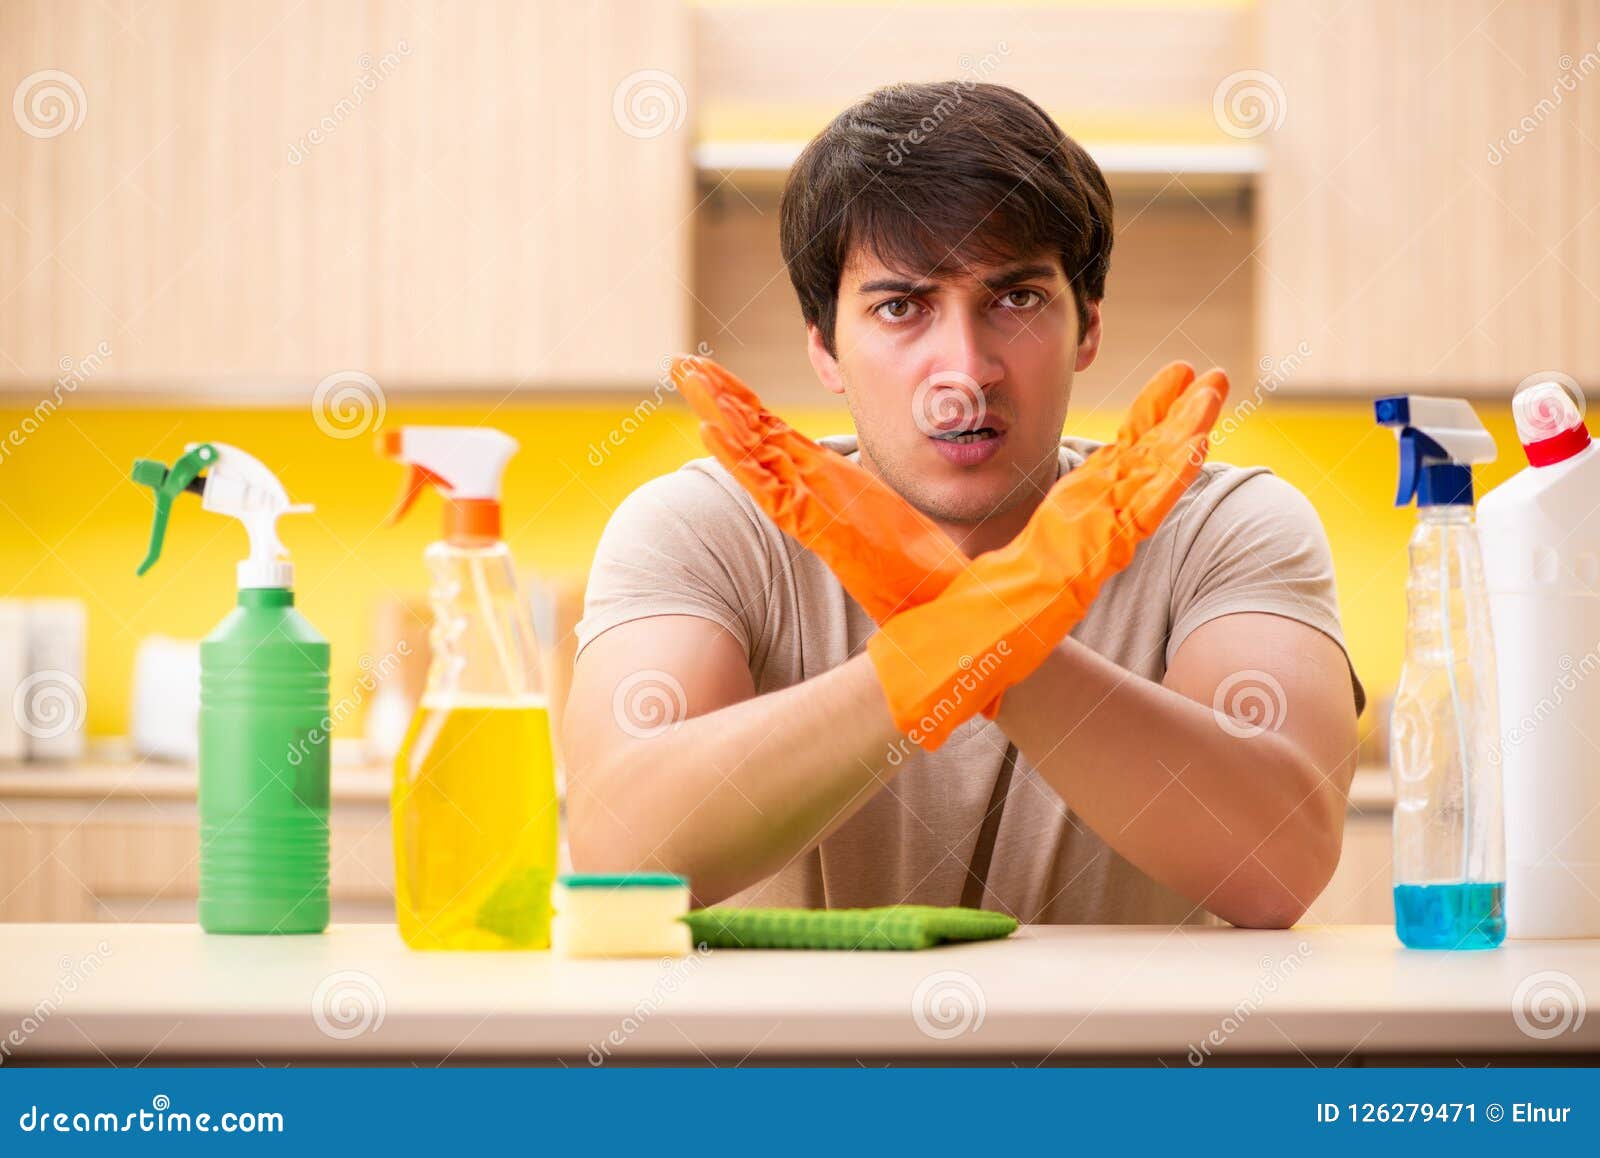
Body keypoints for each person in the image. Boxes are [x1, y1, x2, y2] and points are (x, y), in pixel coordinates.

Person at [564, 82, 1364, 928]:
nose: (965, 369)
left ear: (1087, 325)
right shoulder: (709, 528)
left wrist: (967, 630)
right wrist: (965, 636)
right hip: (791, 1060)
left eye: (1015, 300)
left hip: (1118, 1061)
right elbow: (624, 859)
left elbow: (1278, 868)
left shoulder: (1224, 525)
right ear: (825, 347)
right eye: (901, 307)